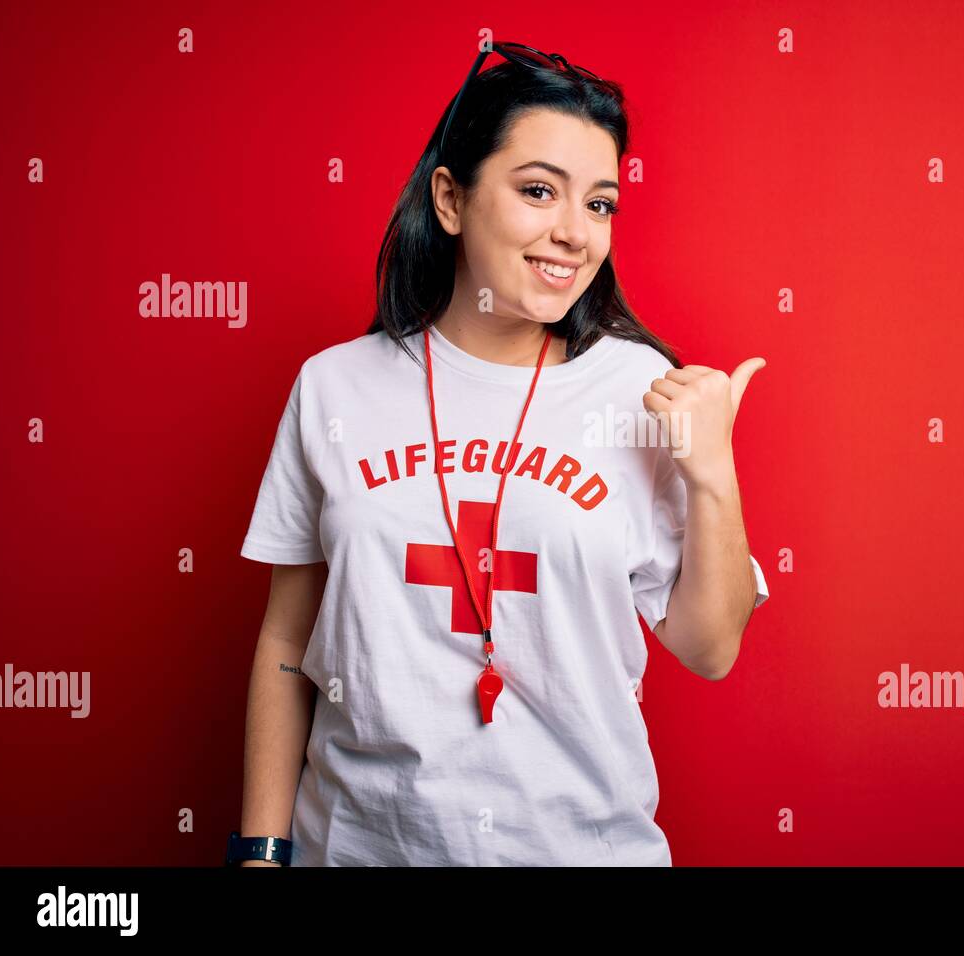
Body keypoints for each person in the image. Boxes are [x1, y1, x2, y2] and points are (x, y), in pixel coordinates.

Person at [235, 40, 770, 867]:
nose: (573, 234)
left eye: (600, 205)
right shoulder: (334, 388)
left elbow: (710, 648)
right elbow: (285, 641)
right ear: (450, 198)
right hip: (357, 850)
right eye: (536, 192)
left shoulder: (637, 388)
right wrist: (261, 852)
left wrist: (714, 476)